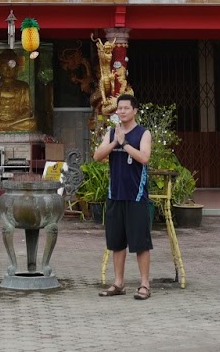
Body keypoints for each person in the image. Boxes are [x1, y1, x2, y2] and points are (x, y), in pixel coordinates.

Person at [94, 92, 153, 300]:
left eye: (126, 108)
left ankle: (144, 285)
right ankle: (118, 283)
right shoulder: (112, 133)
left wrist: (125, 144)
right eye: (119, 108)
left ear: (135, 110)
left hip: (136, 196)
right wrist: (115, 142)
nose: (122, 111)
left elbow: (144, 158)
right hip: (115, 194)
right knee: (116, 242)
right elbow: (97, 156)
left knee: (140, 243)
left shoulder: (143, 133)